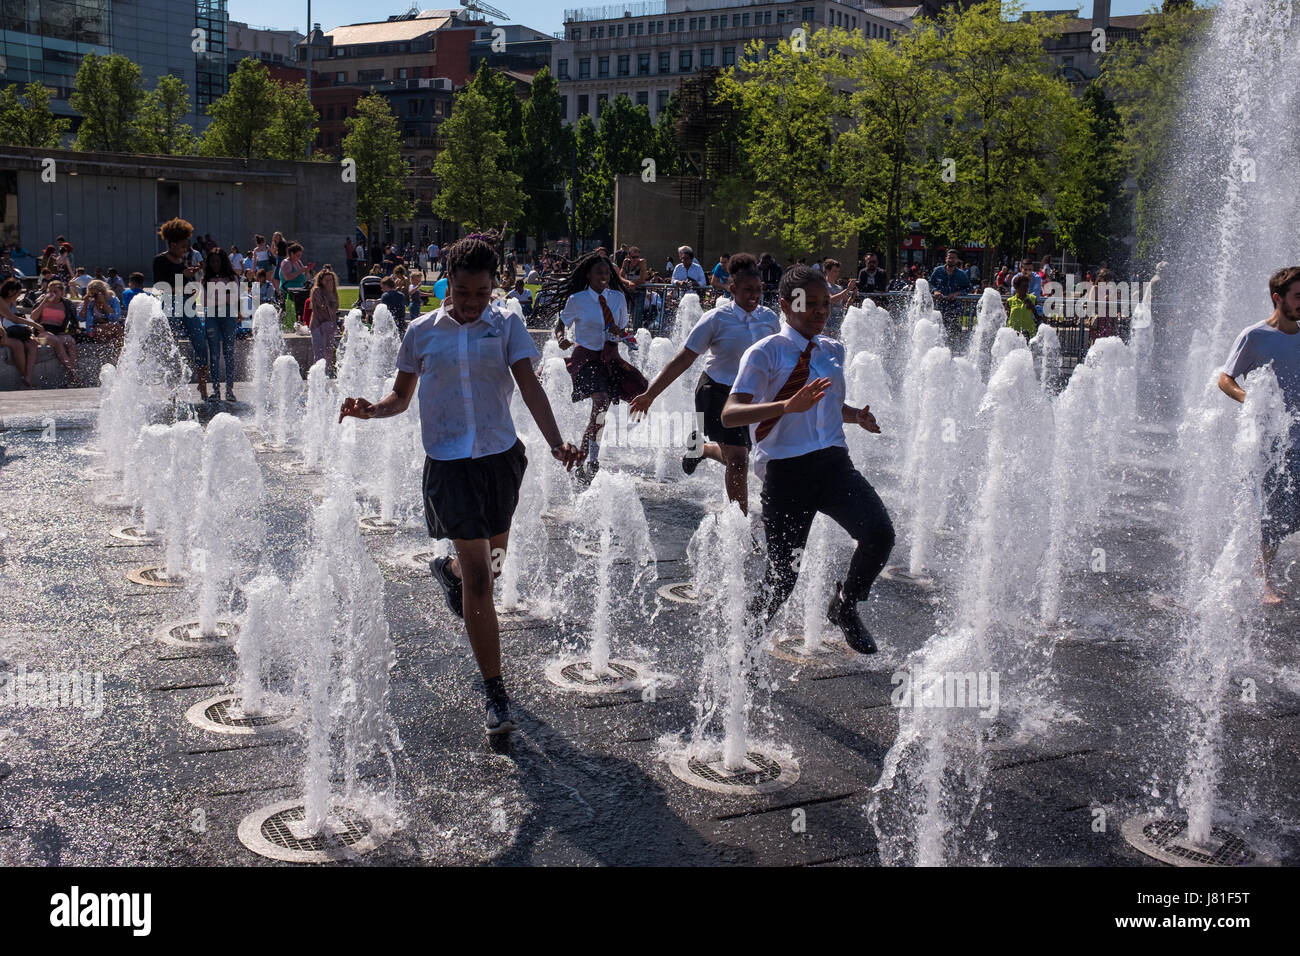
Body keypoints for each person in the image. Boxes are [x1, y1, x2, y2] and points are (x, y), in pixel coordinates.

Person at [339, 236, 583, 736]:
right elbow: (400, 398)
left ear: (495, 286)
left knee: (492, 567)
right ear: (447, 284)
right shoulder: (421, 332)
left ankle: (448, 571)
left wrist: (557, 442)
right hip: (449, 465)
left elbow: (531, 387)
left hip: (500, 461)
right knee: (481, 581)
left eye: (482, 292)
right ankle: (496, 692)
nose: (472, 302)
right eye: (463, 292)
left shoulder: (508, 325)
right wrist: (370, 410)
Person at [722, 264, 895, 653]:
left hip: (833, 465)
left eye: (824, 304)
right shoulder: (765, 352)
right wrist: (786, 405)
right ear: (785, 305)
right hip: (787, 475)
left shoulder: (833, 350)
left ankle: (846, 606)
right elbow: (729, 414)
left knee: (880, 534)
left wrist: (854, 415)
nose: (820, 311)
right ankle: (744, 647)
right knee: (782, 579)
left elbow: (825, 404)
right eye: (809, 304)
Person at [630, 253, 779, 513]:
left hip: (751, 398)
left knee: (742, 456)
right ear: (732, 289)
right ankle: (738, 525)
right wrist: (650, 395)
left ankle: (702, 449)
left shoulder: (769, 319)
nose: (754, 295)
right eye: (747, 290)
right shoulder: (716, 318)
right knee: (739, 460)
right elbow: (684, 358)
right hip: (717, 393)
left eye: (759, 289)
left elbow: (781, 359)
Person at [1217, 265, 1300, 606]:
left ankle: (1260, 571)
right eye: (1298, 297)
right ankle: (1263, 580)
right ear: (1278, 299)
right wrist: (1250, 400)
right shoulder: (1254, 336)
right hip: (1270, 440)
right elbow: (1225, 378)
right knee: (1274, 511)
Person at [540, 251, 649, 483]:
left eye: (607, 273)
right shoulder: (577, 300)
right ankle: (588, 459)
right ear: (588, 275)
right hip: (586, 359)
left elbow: (620, 327)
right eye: (599, 272)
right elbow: (561, 325)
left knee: (602, 412)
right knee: (600, 402)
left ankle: (589, 458)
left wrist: (621, 333)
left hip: (610, 358)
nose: (604, 276)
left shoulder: (617, 298)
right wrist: (561, 338)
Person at [153, 217, 209, 400]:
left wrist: (192, 283)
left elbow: (187, 286)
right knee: (170, 345)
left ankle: (202, 384)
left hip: (186, 304)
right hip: (169, 303)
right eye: (183, 246)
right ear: (172, 244)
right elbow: (160, 286)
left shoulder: (183, 262)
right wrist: (181, 274)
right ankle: (173, 390)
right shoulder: (159, 261)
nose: (186, 250)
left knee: (200, 342)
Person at [202, 246, 241, 402]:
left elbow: (234, 298)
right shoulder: (205, 279)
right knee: (214, 354)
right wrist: (224, 297)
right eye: (212, 262)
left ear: (223, 261)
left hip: (228, 316)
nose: (215, 264)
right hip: (212, 316)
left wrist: (215, 299)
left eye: (218, 261)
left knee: (229, 352)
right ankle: (216, 390)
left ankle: (229, 390)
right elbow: (205, 301)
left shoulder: (232, 278)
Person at [30, 279, 80, 382]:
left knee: (71, 341)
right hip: (42, 333)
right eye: (50, 291)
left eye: (55, 292)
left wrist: (69, 332)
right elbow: (33, 317)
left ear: (62, 292)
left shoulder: (67, 304)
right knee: (55, 341)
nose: (52, 294)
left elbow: (75, 323)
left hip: (58, 333)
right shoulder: (42, 301)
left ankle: (71, 372)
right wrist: (44, 302)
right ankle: (72, 373)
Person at [0, 278, 41, 387]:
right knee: (17, 344)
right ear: (10, 292)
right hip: (2, 333)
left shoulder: (11, 302)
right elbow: (13, 318)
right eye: (18, 293)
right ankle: (25, 378)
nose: (19, 296)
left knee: (32, 344)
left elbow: (16, 319)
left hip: (10, 332)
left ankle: (28, 376)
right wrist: (35, 325)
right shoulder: (1, 301)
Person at [309, 265, 341, 376]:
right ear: (321, 280)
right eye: (326, 280)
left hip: (329, 325)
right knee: (319, 352)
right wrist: (329, 302)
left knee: (328, 351)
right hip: (318, 325)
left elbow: (334, 309)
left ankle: (326, 373)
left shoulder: (333, 292)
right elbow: (323, 307)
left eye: (331, 280)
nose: (329, 282)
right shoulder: (317, 291)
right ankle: (317, 375)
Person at [280, 242, 314, 323]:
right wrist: (300, 271)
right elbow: (287, 277)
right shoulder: (286, 263)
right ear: (291, 254)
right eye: (297, 255)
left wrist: (307, 270)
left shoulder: (298, 262)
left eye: (300, 255)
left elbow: (305, 278)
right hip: (289, 292)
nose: (299, 257)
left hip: (300, 292)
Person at [1005, 273, 1037, 338]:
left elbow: (1040, 318)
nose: (1026, 288)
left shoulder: (1033, 299)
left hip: (1029, 335)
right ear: (1016, 287)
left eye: (1027, 286)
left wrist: (1032, 308)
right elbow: (1005, 319)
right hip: (1013, 336)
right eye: (1024, 286)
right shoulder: (1009, 301)